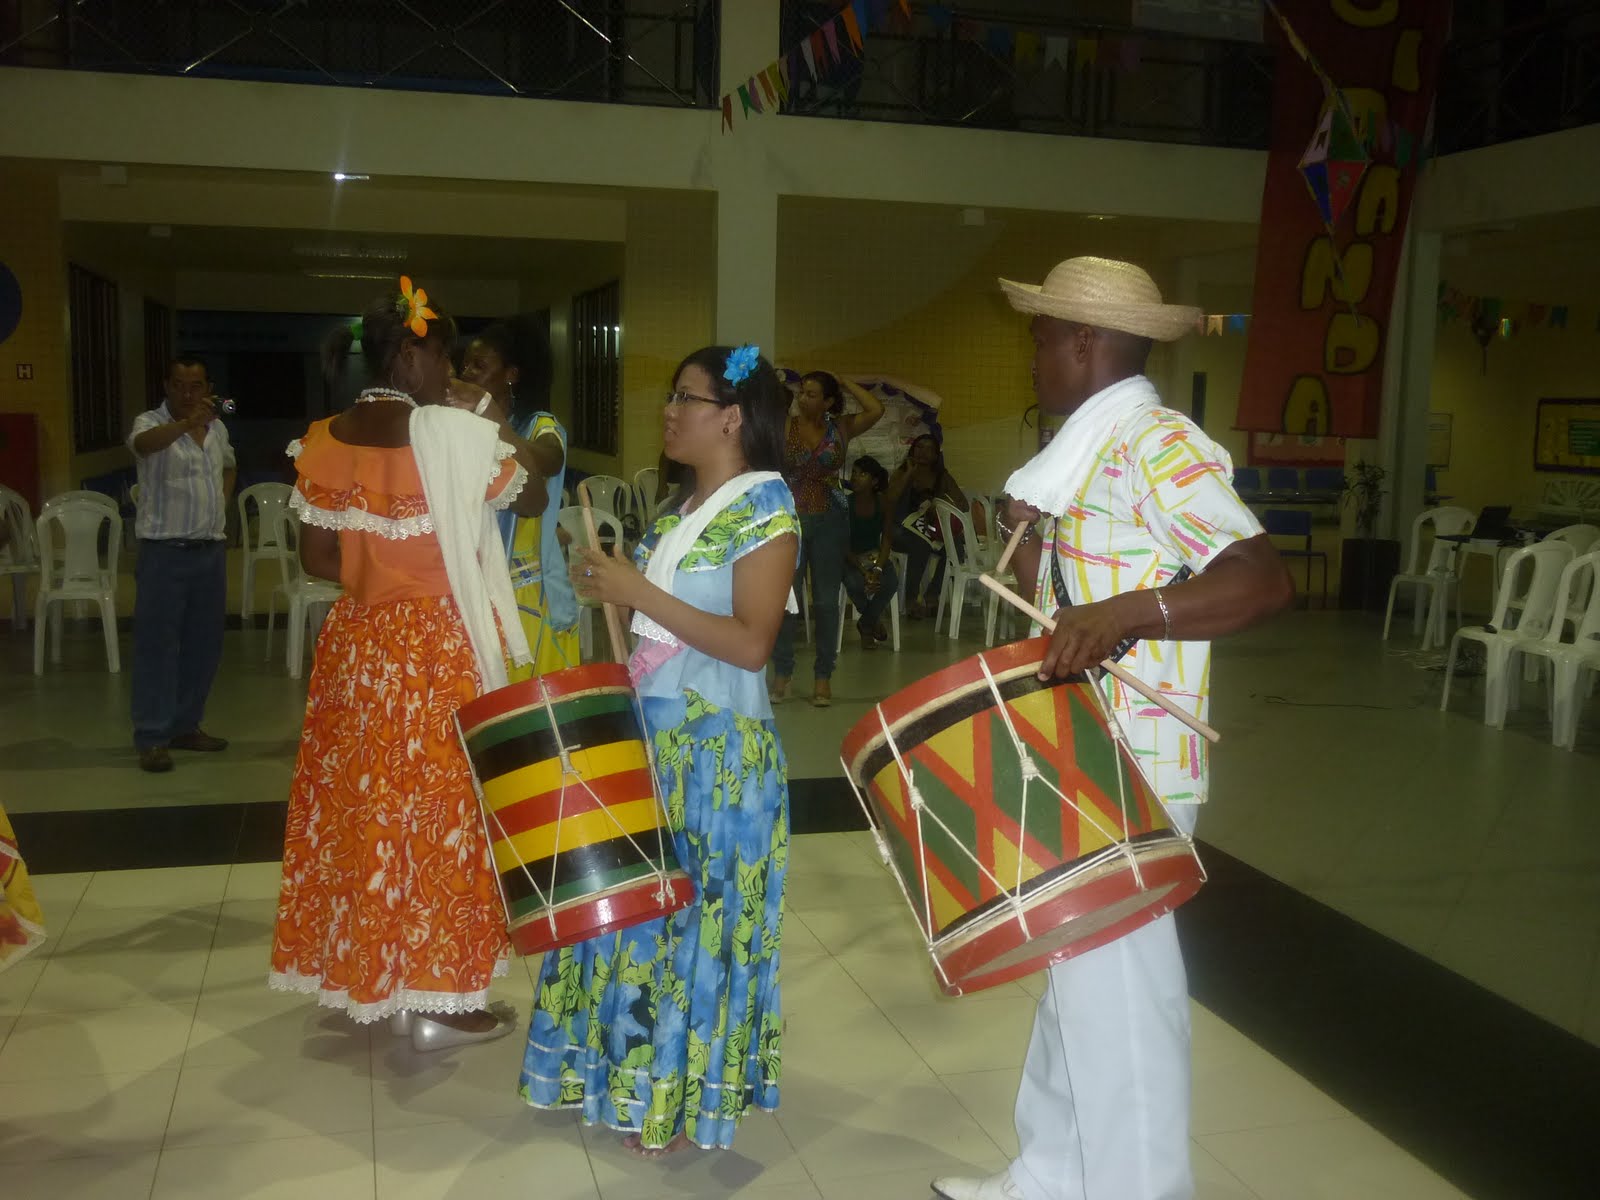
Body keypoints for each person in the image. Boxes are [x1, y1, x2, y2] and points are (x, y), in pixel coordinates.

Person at [931, 257, 1293, 1200]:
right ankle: (1048, 1174)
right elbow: (1107, 563)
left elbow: (1260, 579)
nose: (1036, 353)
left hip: (1132, 767)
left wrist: (1134, 610)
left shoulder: (1154, 443)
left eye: (1044, 335)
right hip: (1082, 752)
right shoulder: (1096, 451)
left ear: (1085, 343)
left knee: (1123, 1003)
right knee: (1076, 982)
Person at [520, 344, 798, 1155]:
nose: (669, 411)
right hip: (658, 742)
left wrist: (640, 590)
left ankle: (679, 1098)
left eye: (686, 397)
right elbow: (655, 631)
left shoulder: (767, 509)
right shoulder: (682, 512)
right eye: (671, 396)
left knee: (697, 933)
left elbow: (751, 645)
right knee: (640, 927)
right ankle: (634, 1082)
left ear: (732, 416)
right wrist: (610, 588)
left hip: (720, 761)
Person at [268, 278, 549, 1052]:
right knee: (446, 819)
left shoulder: (327, 436)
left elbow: (320, 553)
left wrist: (377, 570)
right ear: (414, 352)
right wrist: (483, 412)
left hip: (359, 649)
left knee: (362, 811)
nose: (452, 368)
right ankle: (446, 992)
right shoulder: (454, 436)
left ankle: (364, 971)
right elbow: (532, 496)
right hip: (442, 646)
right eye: (445, 354)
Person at [126, 356, 236, 773]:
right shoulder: (150, 422)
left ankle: (186, 725)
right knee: (158, 648)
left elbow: (228, 464)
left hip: (209, 551)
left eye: (196, 386)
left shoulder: (217, 427)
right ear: (167, 386)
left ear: (207, 385)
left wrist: (221, 501)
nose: (188, 394)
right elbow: (144, 445)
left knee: (203, 647)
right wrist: (186, 425)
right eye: (180, 385)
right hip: (163, 552)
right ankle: (152, 737)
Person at [460, 317, 581, 677]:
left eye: (479, 366)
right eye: (464, 363)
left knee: (535, 716)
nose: (466, 372)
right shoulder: (462, 431)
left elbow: (547, 461)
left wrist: (488, 413)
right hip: (477, 586)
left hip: (529, 594)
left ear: (510, 374)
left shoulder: (540, 427)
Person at [770, 369, 883, 706]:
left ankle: (823, 677)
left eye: (813, 394)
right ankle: (783, 671)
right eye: (802, 392)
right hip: (790, 518)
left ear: (829, 401)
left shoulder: (842, 428)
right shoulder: (784, 426)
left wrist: (846, 379)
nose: (803, 398)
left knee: (824, 601)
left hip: (831, 520)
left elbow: (876, 409)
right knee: (785, 599)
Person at [887, 432, 967, 621]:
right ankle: (910, 599)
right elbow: (890, 499)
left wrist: (938, 504)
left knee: (955, 545)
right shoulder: (902, 472)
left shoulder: (942, 477)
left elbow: (963, 504)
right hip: (899, 529)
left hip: (929, 529)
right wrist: (909, 473)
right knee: (920, 545)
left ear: (936, 455)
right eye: (919, 447)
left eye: (929, 449)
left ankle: (933, 592)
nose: (923, 452)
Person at [841, 454, 898, 650]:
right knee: (855, 583)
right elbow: (843, 544)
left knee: (891, 582)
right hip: (848, 557)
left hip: (873, 555)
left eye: (862, 474)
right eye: (854, 473)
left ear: (874, 481)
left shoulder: (883, 503)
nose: (855, 478)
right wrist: (864, 572)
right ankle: (871, 622)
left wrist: (878, 569)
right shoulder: (844, 504)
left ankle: (866, 623)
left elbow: (887, 538)